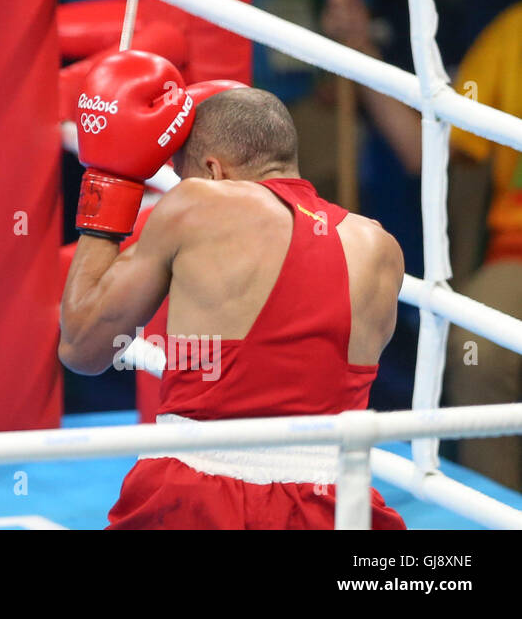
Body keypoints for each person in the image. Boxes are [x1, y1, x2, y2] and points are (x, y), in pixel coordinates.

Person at [59, 50, 406, 529]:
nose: (180, 185)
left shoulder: (199, 202)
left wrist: (111, 179)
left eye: (181, 172)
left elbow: (82, 347)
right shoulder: (380, 247)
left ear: (213, 170)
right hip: (334, 500)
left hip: (200, 493)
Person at [323, 0, 522, 490]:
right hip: (516, 251)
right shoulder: (513, 31)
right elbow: (425, 150)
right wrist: (359, 48)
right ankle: (495, 515)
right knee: (477, 350)